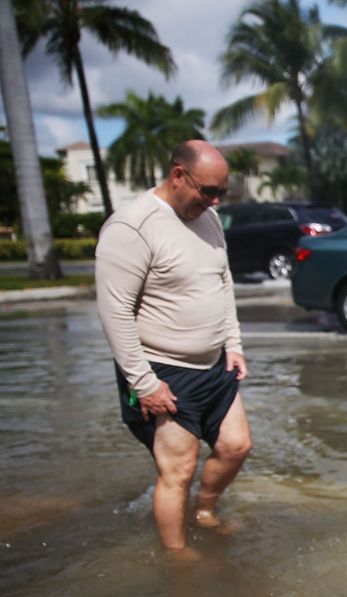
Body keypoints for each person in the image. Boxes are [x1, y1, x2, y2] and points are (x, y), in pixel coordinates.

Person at [95, 139, 252, 555]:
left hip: (214, 364)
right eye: (208, 191)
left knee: (236, 446)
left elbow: (222, 281)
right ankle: (177, 558)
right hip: (162, 368)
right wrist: (144, 383)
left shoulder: (209, 218)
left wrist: (232, 344)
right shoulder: (132, 227)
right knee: (178, 469)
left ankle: (204, 511)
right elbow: (115, 312)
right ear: (178, 175)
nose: (216, 201)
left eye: (222, 193)